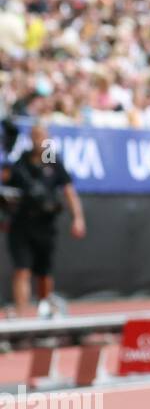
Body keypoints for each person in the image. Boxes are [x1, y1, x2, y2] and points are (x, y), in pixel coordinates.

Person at [3, 123, 85, 318]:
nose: (37, 140)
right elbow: (7, 187)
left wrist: (78, 218)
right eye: (34, 136)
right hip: (22, 223)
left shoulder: (52, 161)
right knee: (22, 269)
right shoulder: (20, 161)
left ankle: (44, 311)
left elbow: (69, 191)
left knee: (44, 272)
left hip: (45, 224)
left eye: (41, 136)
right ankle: (21, 315)